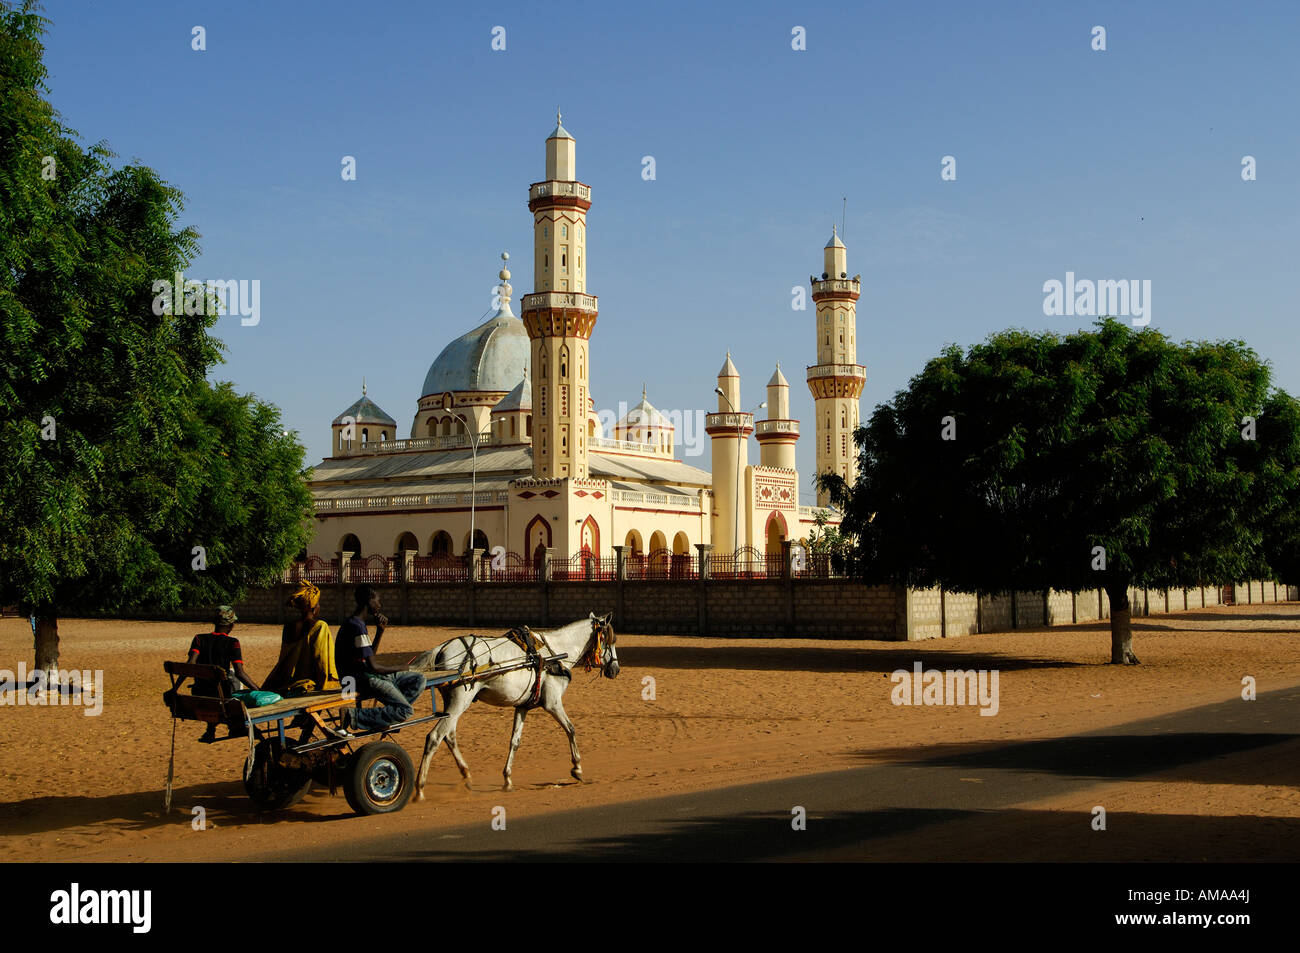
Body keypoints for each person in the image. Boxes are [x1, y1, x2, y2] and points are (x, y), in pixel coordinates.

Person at [335, 586, 425, 733]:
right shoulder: (357, 626)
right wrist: (401, 667)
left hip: (362, 676)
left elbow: (369, 656)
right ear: (369, 601)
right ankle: (352, 716)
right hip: (356, 681)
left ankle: (387, 717)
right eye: (377, 600)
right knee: (405, 711)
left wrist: (380, 631)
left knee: (419, 679)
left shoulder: (356, 623)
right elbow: (374, 666)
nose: (380, 605)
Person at [187, 606, 259, 742]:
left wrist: (174, 688)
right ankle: (237, 726)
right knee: (231, 680)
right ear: (231, 626)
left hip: (200, 692)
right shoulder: (233, 643)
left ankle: (210, 729)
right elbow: (240, 673)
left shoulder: (199, 639)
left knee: (217, 683)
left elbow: (189, 665)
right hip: (221, 697)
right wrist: (259, 691)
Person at [263, 580, 340, 697]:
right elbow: (322, 661)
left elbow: (283, 658)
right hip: (306, 685)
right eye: (318, 603)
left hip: (285, 681)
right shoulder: (320, 626)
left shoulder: (288, 626)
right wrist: (323, 689)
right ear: (314, 607)